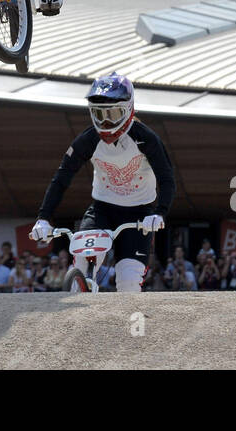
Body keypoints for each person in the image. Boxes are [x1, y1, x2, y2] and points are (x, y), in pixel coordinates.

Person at [29, 73, 176, 293]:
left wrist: (160, 213)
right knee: (82, 262)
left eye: (113, 114)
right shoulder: (88, 139)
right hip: (102, 210)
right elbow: (61, 178)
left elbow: (167, 179)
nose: (105, 123)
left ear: (128, 109)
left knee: (128, 282)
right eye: (99, 115)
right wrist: (43, 218)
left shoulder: (146, 138)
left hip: (139, 214)